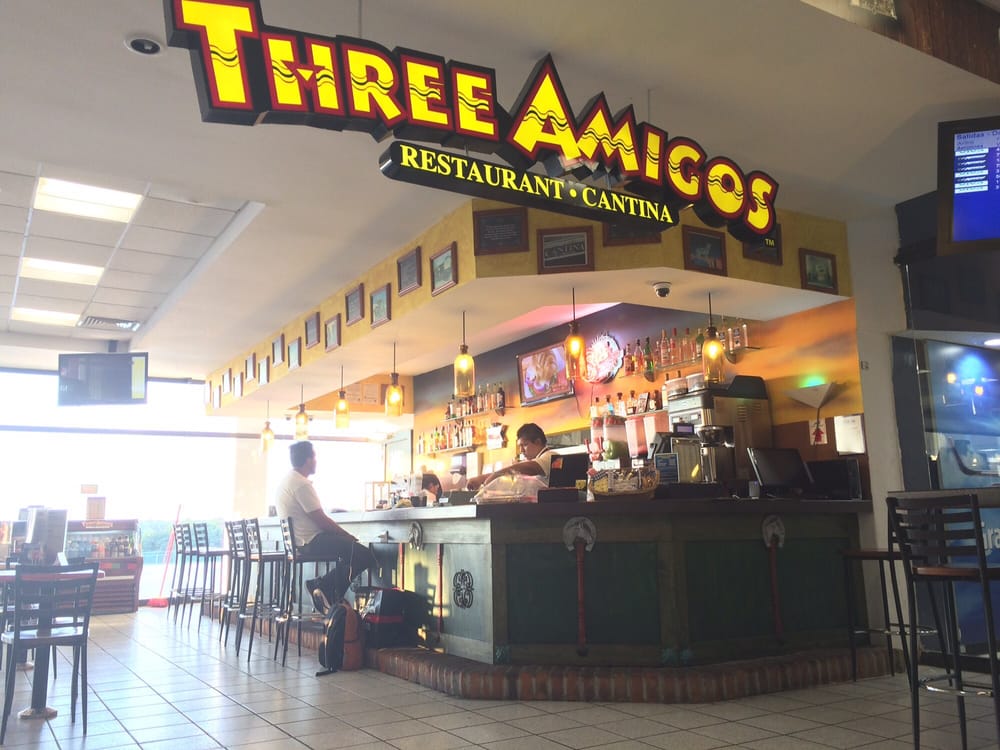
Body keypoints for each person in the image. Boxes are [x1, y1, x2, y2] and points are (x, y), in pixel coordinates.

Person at [275, 440, 376, 612]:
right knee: (364, 555)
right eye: (314, 457)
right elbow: (321, 520)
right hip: (311, 541)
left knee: (351, 555)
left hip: (302, 543)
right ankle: (323, 586)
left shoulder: (287, 481)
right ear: (308, 459)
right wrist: (346, 536)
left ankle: (331, 594)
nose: (316, 461)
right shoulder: (301, 484)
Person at [466, 423, 552, 490]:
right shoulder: (537, 459)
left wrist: (495, 476)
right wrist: (481, 478)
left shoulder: (549, 456)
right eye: (520, 446)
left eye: (525, 445)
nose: (521, 450)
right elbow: (513, 471)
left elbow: (527, 468)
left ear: (538, 442)